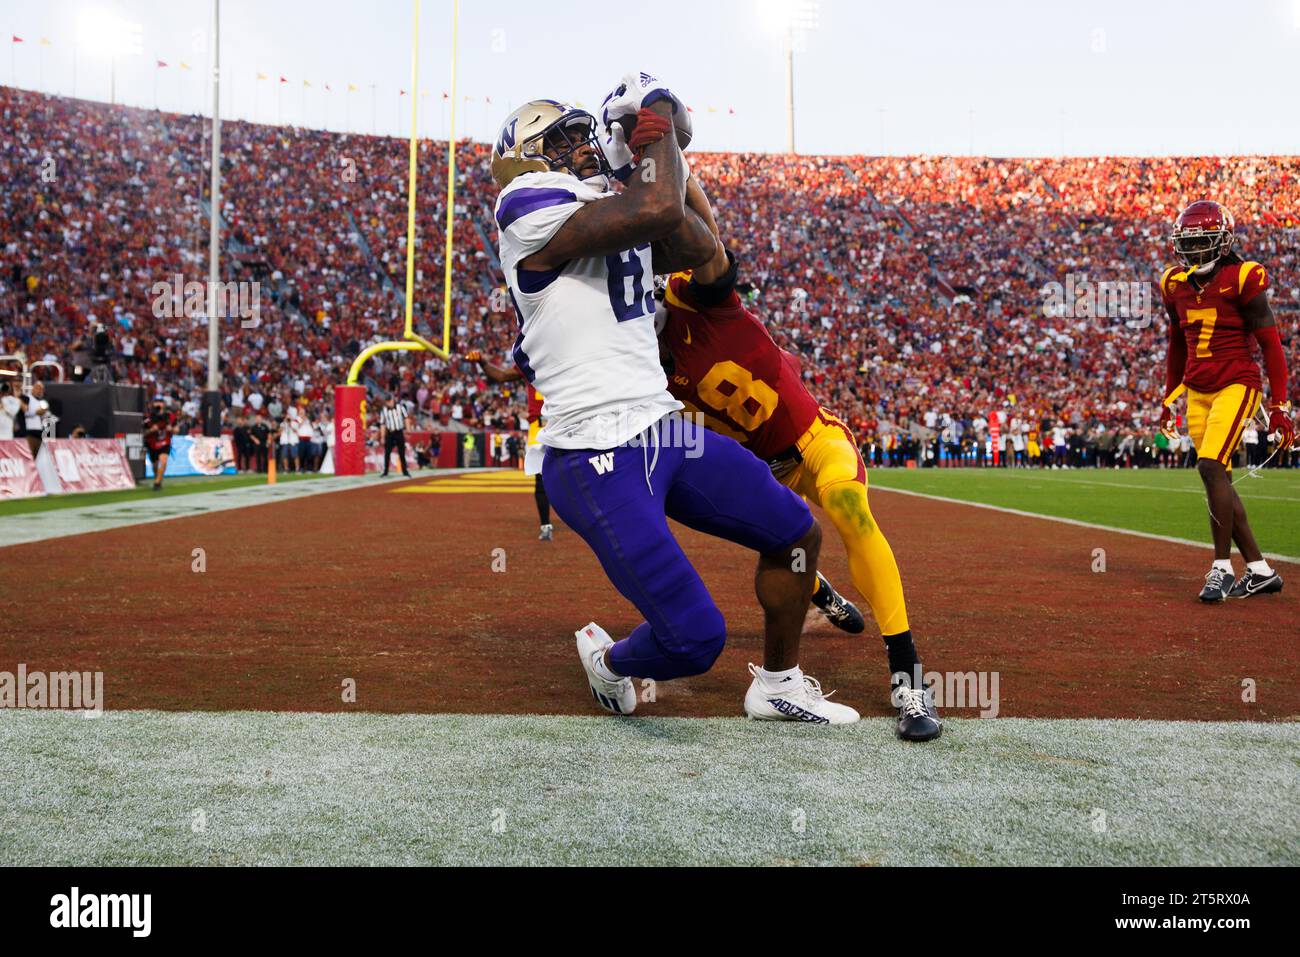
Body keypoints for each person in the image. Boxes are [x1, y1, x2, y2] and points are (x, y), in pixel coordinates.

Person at [491, 76, 856, 724]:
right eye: (561, 137)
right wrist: (657, 122)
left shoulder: (620, 200)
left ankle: (779, 681)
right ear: (523, 156)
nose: (582, 144)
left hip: (663, 429)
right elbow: (657, 210)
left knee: (796, 533)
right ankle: (609, 664)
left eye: (585, 132)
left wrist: (663, 150)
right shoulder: (527, 202)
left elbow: (701, 247)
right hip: (591, 449)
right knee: (695, 638)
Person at [654, 174, 940, 740]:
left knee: (850, 512)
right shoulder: (644, 375)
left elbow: (707, 240)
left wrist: (676, 171)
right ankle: (820, 591)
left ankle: (908, 679)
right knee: (782, 541)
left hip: (813, 436)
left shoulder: (695, 296)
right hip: (768, 468)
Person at [1157, 201, 1294, 601]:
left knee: (1209, 466)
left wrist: (1281, 408)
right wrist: (1168, 399)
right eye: (1190, 244)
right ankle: (1260, 569)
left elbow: (1271, 345)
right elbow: (1176, 345)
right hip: (1197, 389)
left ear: (1222, 242)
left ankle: (1220, 568)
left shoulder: (1244, 277)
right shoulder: (1173, 284)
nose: (1196, 252)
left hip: (1237, 382)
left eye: (1204, 243)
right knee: (1220, 478)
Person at [465, 350, 555, 540]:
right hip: (540, 425)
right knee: (540, 477)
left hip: (562, 419)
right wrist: (482, 361)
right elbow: (501, 376)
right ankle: (546, 524)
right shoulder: (535, 358)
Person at [143, 398, 176, 491]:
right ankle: (157, 478)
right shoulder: (148, 418)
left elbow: (176, 429)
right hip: (152, 444)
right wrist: (151, 430)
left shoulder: (170, 416)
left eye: (160, 402)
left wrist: (171, 429)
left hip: (165, 442)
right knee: (155, 465)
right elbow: (142, 432)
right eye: (156, 402)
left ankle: (157, 482)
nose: (158, 404)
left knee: (163, 461)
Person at [378, 395, 411, 478]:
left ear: (393, 400)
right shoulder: (384, 410)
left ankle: (405, 471)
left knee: (402, 452)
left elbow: (406, 418)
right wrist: (382, 437)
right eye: (388, 401)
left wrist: (408, 429)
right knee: (387, 452)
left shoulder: (400, 407)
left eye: (390, 401)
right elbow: (382, 424)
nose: (389, 403)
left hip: (399, 432)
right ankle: (386, 471)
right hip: (390, 433)